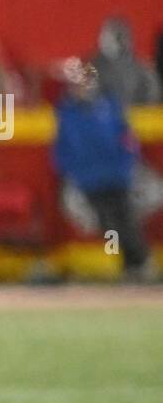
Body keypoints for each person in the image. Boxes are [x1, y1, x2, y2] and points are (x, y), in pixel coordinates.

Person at [54, 60, 152, 280]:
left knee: (125, 220)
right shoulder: (67, 112)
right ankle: (127, 263)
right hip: (90, 179)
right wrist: (71, 170)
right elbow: (63, 146)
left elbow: (126, 136)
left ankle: (137, 263)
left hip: (116, 175)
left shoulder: (108, 105)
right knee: (107, 224)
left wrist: (127, 163)